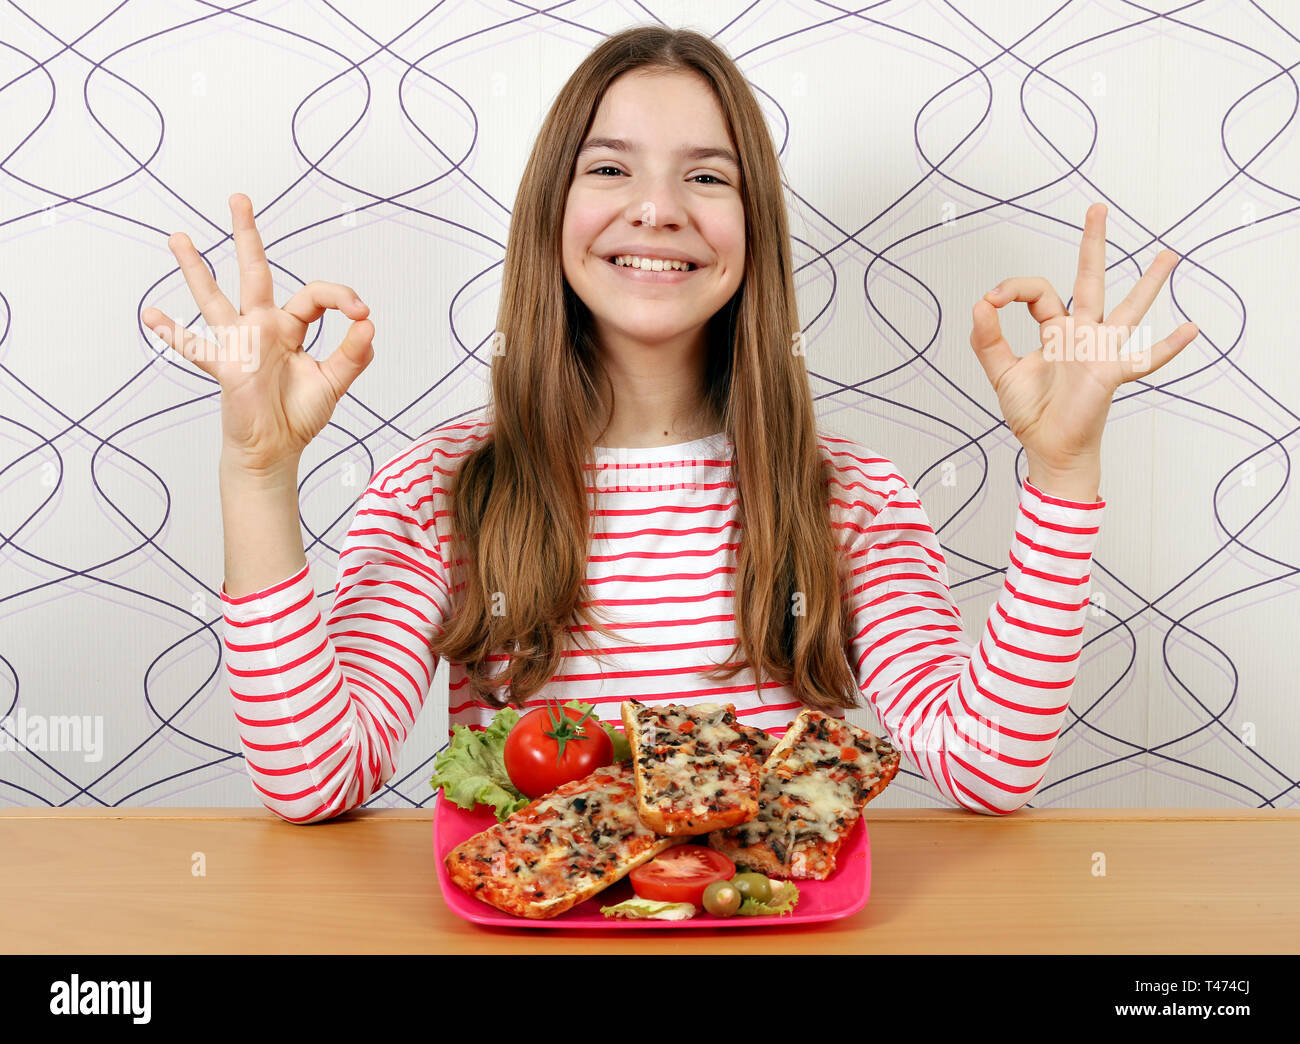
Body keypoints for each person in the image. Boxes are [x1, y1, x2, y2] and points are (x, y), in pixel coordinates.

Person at [141, 27, 1197, 825]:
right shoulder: (442, 491)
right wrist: (256, 472)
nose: (656, 209)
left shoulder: (852, 496)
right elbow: (311, 781)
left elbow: (988, 767)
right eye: (609, 168)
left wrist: (1062, 472)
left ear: (754, 232)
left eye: (706, 175)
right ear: (551, 212)